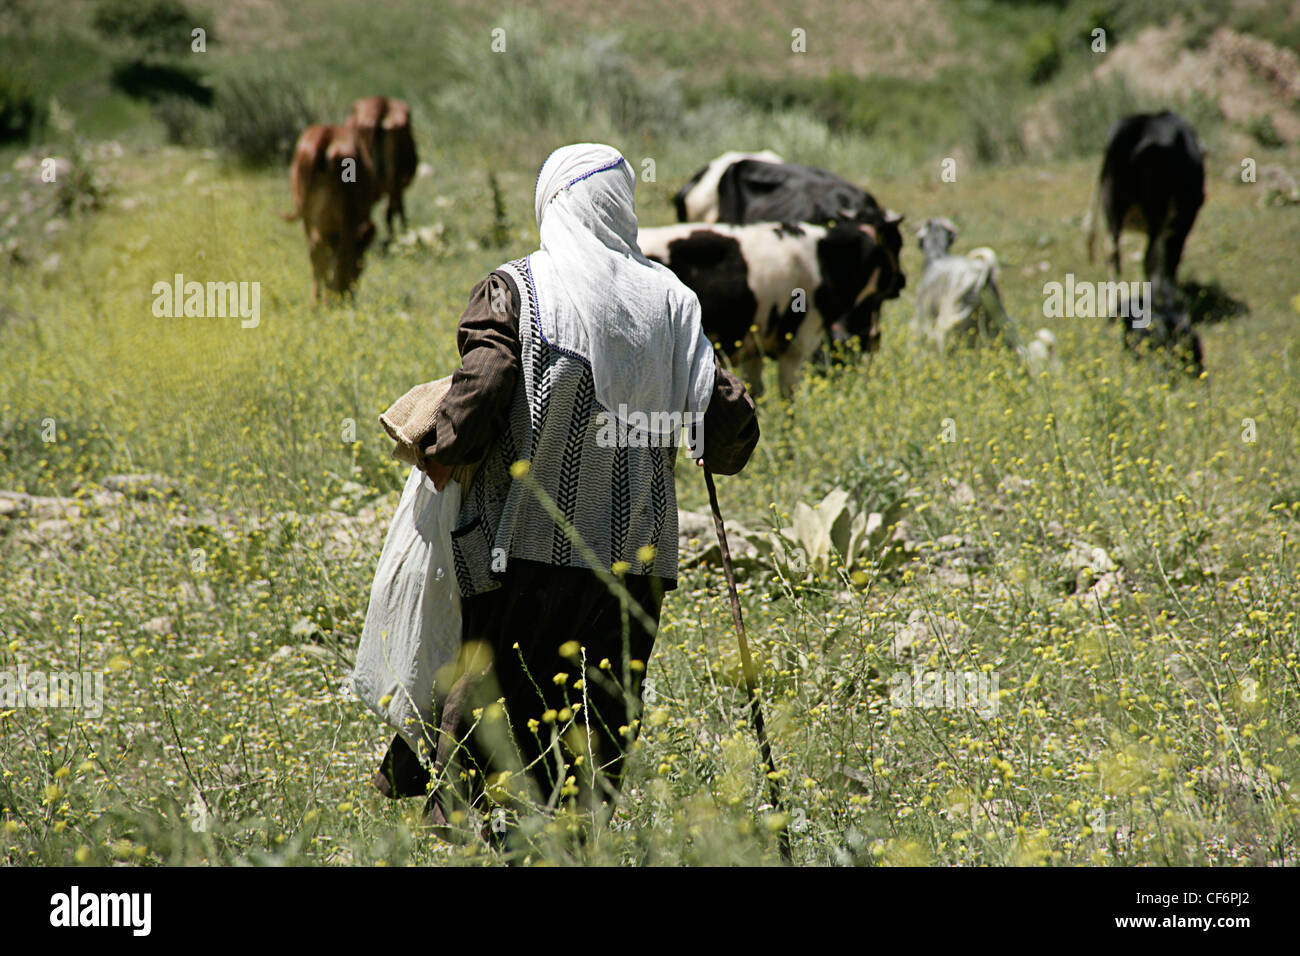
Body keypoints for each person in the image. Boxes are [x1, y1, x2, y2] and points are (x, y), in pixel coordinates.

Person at [371, 143, 759, 840]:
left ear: (552, 206)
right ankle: (566, 847)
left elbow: (479, 396)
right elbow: (730, 435)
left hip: (522, 555)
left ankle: (461, 837)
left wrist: (436, 442)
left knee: (494, 705)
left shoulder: (519, 287)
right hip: (634, 571)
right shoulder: (673, 301)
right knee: (596, 725)